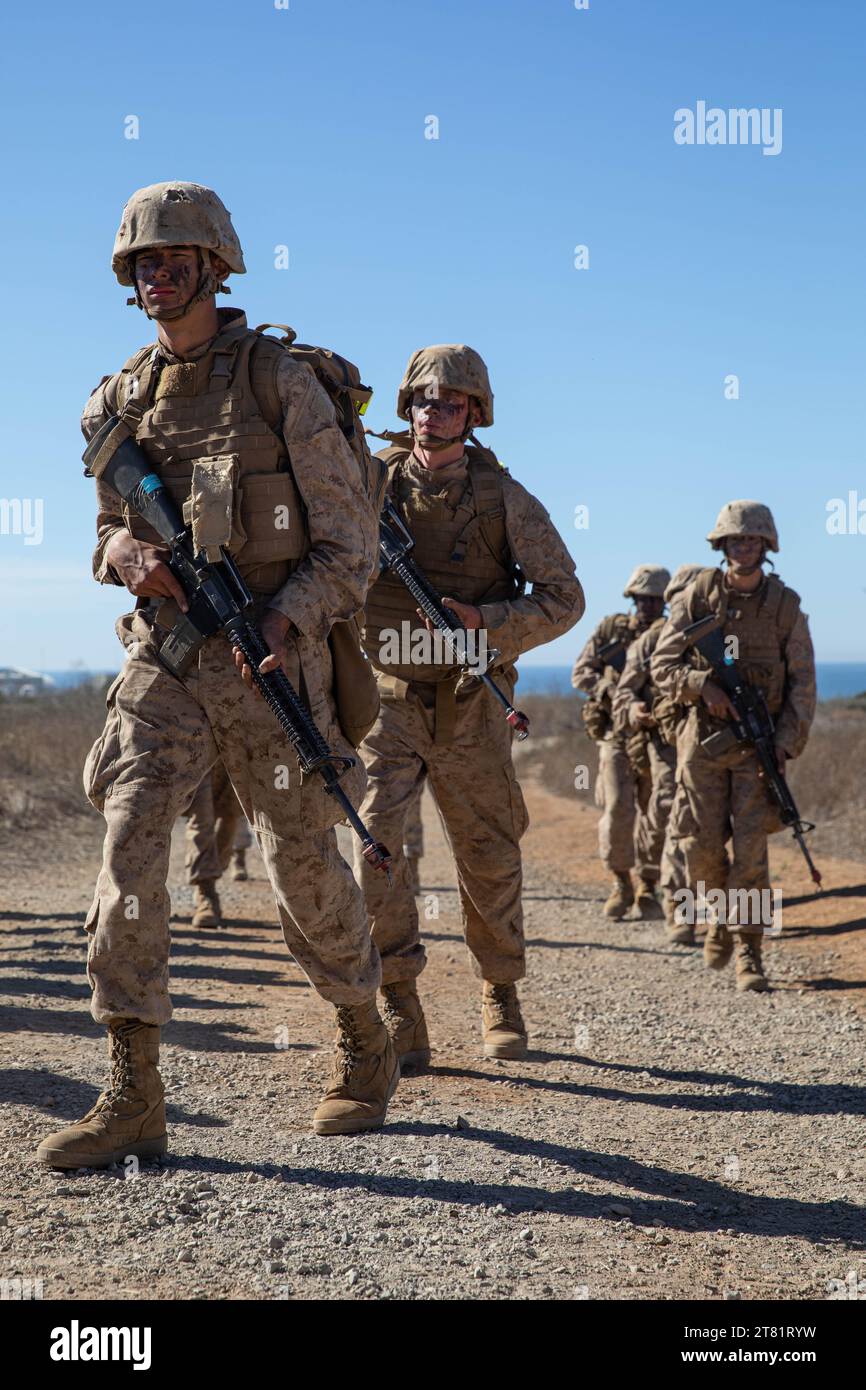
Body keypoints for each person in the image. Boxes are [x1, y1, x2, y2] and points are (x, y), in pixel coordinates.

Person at [37, 182, 396, 1169]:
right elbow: (107, 531)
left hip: (269, 654)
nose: (156, 276)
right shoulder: (119, 400)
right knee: (127, 846)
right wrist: (125, 559)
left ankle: (364, 1032)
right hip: (166, 654)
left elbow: (351, 547)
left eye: (172, 259)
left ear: (213, 265)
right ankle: (133, 1088)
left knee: (300, 868)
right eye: (141, 264)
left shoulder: (280, 381)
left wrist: (286, 615)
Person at [355, 344, 584, 1066]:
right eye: (424, 399)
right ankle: (398, 1001)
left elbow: (564, 598)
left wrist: (484, 622)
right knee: (375, 850)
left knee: (488, 857)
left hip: (471, 699)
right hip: (384, 699)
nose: (435, 412)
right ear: (406, 407)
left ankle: (500, 991)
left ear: (475, 414)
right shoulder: (368, 485)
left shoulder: (503, 498)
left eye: (452, 402)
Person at [651, 502, 817, 990]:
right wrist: (703, 684)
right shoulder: (697, 596)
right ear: (722, 545)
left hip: (757, 751)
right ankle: (718, 916)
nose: (744, 548)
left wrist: (784, 745)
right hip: (700, 744)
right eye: (736, 541)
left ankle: (749, 948)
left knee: (751, 853)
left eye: (753, 541)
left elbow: (803, 684)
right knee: (699, 849)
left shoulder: (785, 605)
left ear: (766, 547)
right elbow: (663, 666)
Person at [571, 566, 670, 919]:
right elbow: (580, 671)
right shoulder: (611, 630)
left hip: (657, 736)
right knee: (617, 809)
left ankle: (648, 884)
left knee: (656, 812)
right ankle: (621, 883)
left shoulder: (671, 634)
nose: (648, 605)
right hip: (616, 735)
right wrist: (611, 691)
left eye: (655, 599)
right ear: (632, 599)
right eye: (642, 598)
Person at [612, 564, 703, 941]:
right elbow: (622, 696)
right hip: (666, 745)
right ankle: (667, 896)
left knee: (713, 822)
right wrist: (634, 710)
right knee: (668, 809)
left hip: (715, 745)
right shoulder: (649, 643)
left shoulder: (720, 635)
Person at [182, 763, 253, 929]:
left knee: (230, 817)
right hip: (199, 751)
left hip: (231, 750)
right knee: (201, 820)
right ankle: (205, 893)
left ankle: (214, 872)